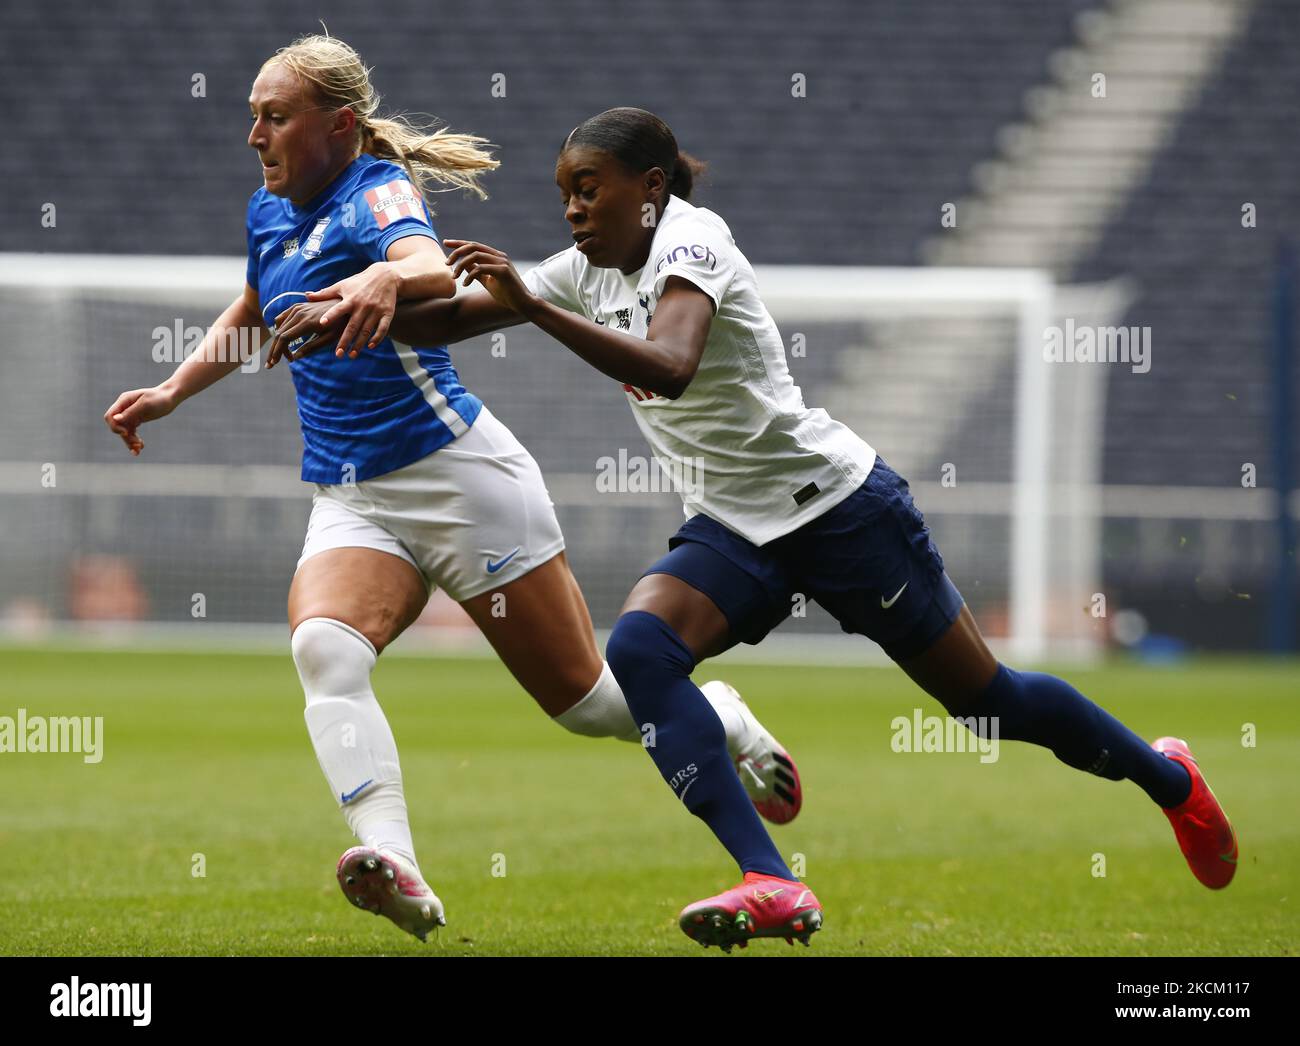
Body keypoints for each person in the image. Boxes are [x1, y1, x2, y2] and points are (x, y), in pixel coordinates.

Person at [272, 106, 1238, 953]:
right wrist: (365, 297)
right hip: (736, 527)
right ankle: (772, 878)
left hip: (842, 511)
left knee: (991, 702)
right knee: (643, 654)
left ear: (650, 190)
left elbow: (675, 362)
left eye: (590, 190)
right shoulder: (577, 271)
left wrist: (533, 309)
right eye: (564, 193)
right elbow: (449, 324)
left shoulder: (694, 241)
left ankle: (1169, 778)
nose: (571, 210)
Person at [102, 44, 800, 946]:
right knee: (325, 650)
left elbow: (430, 267)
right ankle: (393, 863)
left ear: (340, 126)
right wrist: (172, 389)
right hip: (353, 496)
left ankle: (727, 718)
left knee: (589, 704)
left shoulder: (379, 193)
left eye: (275, 116)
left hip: (460, 479)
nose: (255, 135)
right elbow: (253, 307)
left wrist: (385, 275)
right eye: (254, 114)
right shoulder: (269, 209)